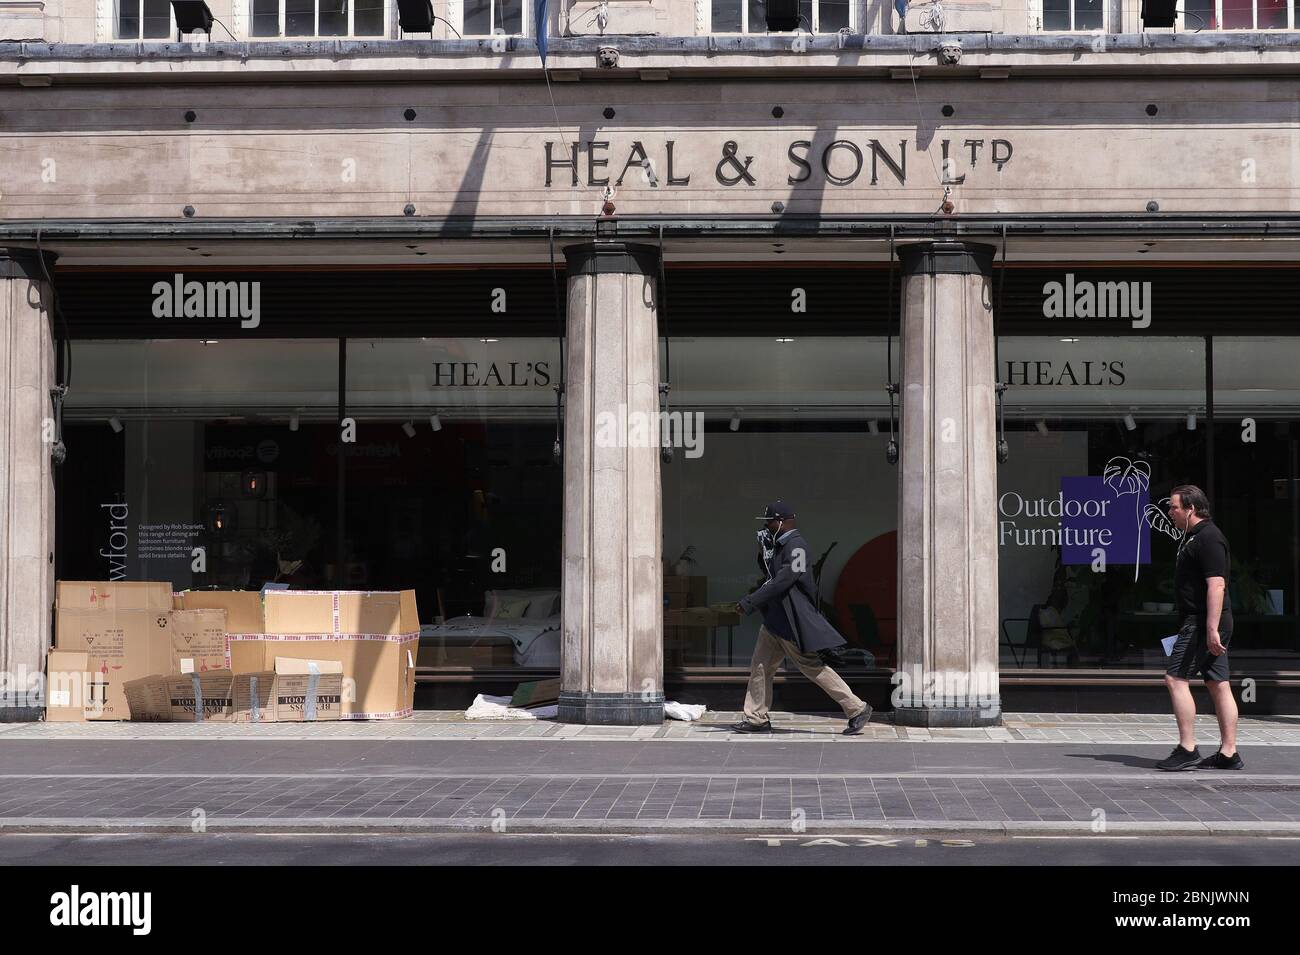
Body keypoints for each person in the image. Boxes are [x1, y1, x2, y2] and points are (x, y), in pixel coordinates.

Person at [731, 501, 872, 736]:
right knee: (761, 667)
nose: (768, 526)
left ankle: (857, 708)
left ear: (783, 521)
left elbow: (784, 580)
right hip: (775, 619)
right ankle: (756, 718)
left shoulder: (797, 546)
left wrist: (749, 602)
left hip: (791, 620)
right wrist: (762, 551)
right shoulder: (779, 545)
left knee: (812, 667)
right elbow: (771, 575)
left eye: (770, 522)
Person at [1155, 485, 1243, 771]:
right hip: (1202, 622)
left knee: (1175, 678)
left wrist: (1211, 628)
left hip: (1202, 622)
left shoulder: (1209, 538)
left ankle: (1187, 748)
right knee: (1218, 683)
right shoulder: (1192, 537)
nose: (1170, 512)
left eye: (1174, 507)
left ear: (1190, 509)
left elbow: (1216, 584)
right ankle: (1229, 753)